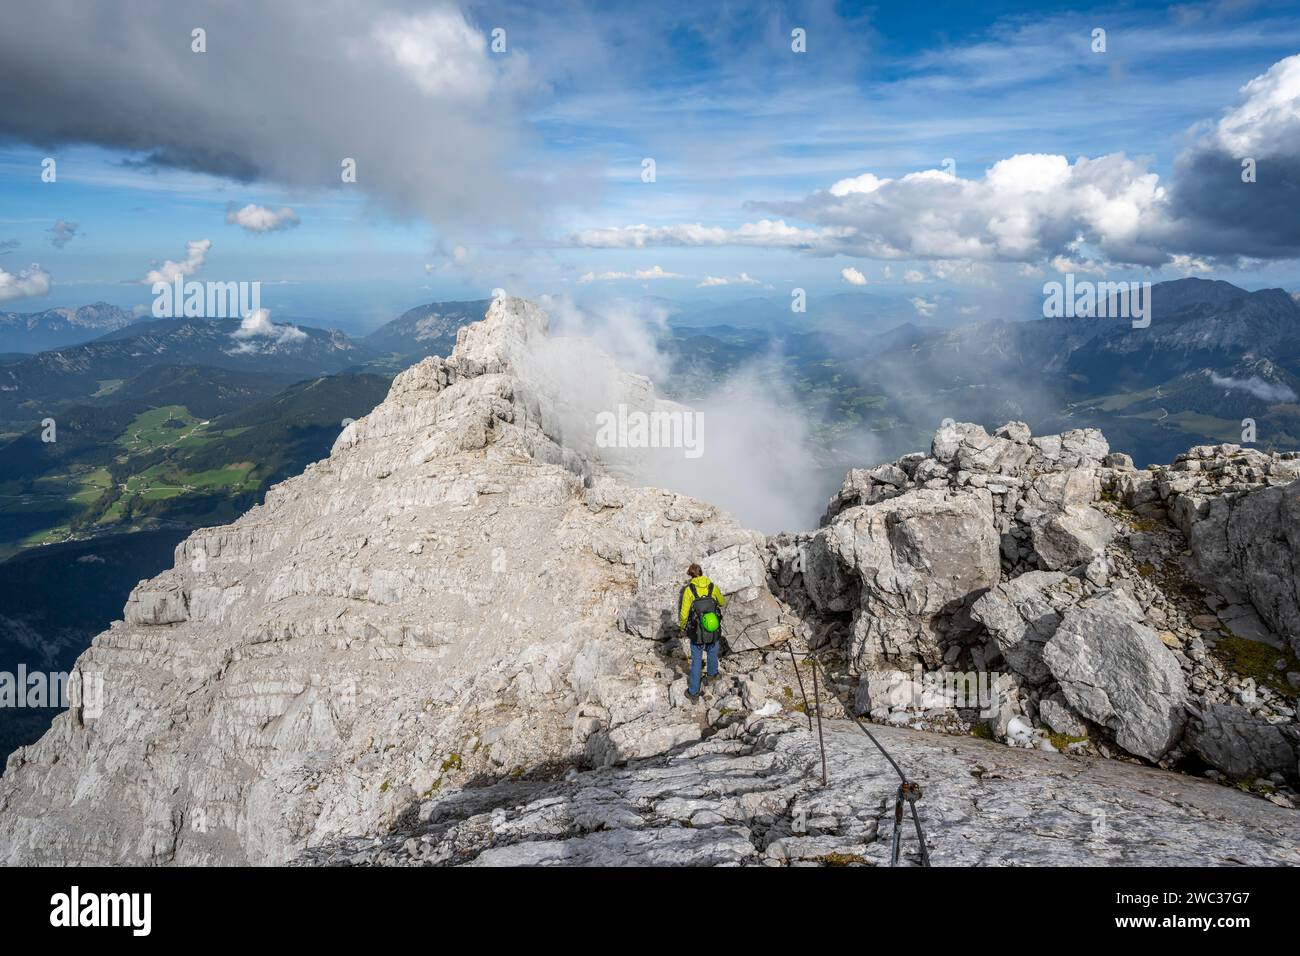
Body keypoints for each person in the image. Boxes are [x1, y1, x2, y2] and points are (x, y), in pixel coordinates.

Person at [678, 562, 727, 701]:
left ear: (690, 575)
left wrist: (683, 627)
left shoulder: (689, 590)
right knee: (712, 650)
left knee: (696, 659)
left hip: (697, 631)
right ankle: (711, 675)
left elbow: (683, 613)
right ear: (702, 572)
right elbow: (722, 602)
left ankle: (693, 692)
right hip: (712, 628)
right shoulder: (712, 586)